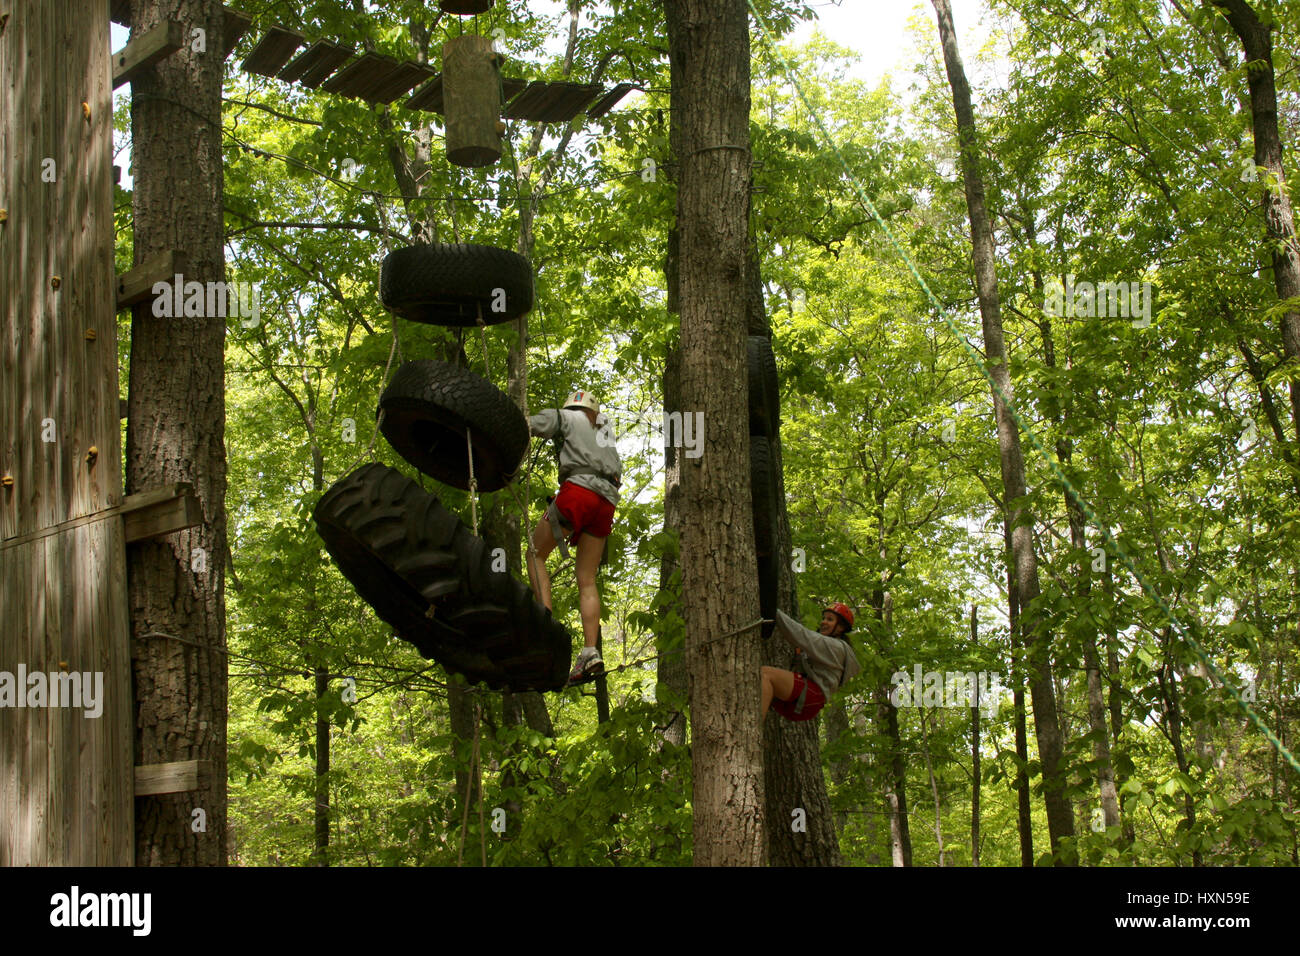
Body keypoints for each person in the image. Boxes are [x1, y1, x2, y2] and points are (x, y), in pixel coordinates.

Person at [526, 390, 622, 683]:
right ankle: (590, 651)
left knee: (534, 552)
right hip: (606, 502)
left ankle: (543, 627)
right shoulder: (606, 432)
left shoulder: (567, 417)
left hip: (577, 493)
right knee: (587, 578)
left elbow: (529, 425)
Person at [761, 603, 860, 722]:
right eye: (824, 618)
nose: (824, 622)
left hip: (809, 696)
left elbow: (802, 635)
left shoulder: (835, 647)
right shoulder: (829, 649)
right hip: (805, 702)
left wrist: (771, 609)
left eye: (830, 619)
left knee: (765, 674)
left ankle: (752, 733)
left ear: (840, 627)